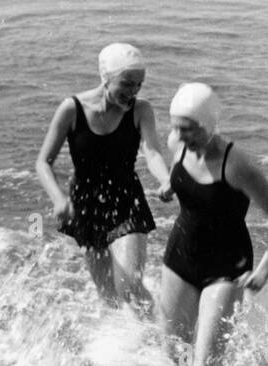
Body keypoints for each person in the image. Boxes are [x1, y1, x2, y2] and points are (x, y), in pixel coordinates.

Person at [158, 83, 268, 366]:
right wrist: (170, 185)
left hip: (225, 266)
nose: (182, 137)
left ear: (208, 125)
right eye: (177, 129)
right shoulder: (176, 144)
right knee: (177, 356)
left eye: (190, 130)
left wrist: (262, 272)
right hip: (180, 257)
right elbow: (183, 177)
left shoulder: (237, 166)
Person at [36, 43, 171, 308]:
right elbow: (43, 162)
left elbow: (152, 152)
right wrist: (58, 199)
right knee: (109, 298)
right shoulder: (72, 109)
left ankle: (163, 342)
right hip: (85, 206)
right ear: (106, 77)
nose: (132, 92)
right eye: (127, 84)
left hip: (127, 200)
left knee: (130, 286)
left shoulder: (141, 110)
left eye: (139, 85)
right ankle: (124, 346)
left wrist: (165, 179)